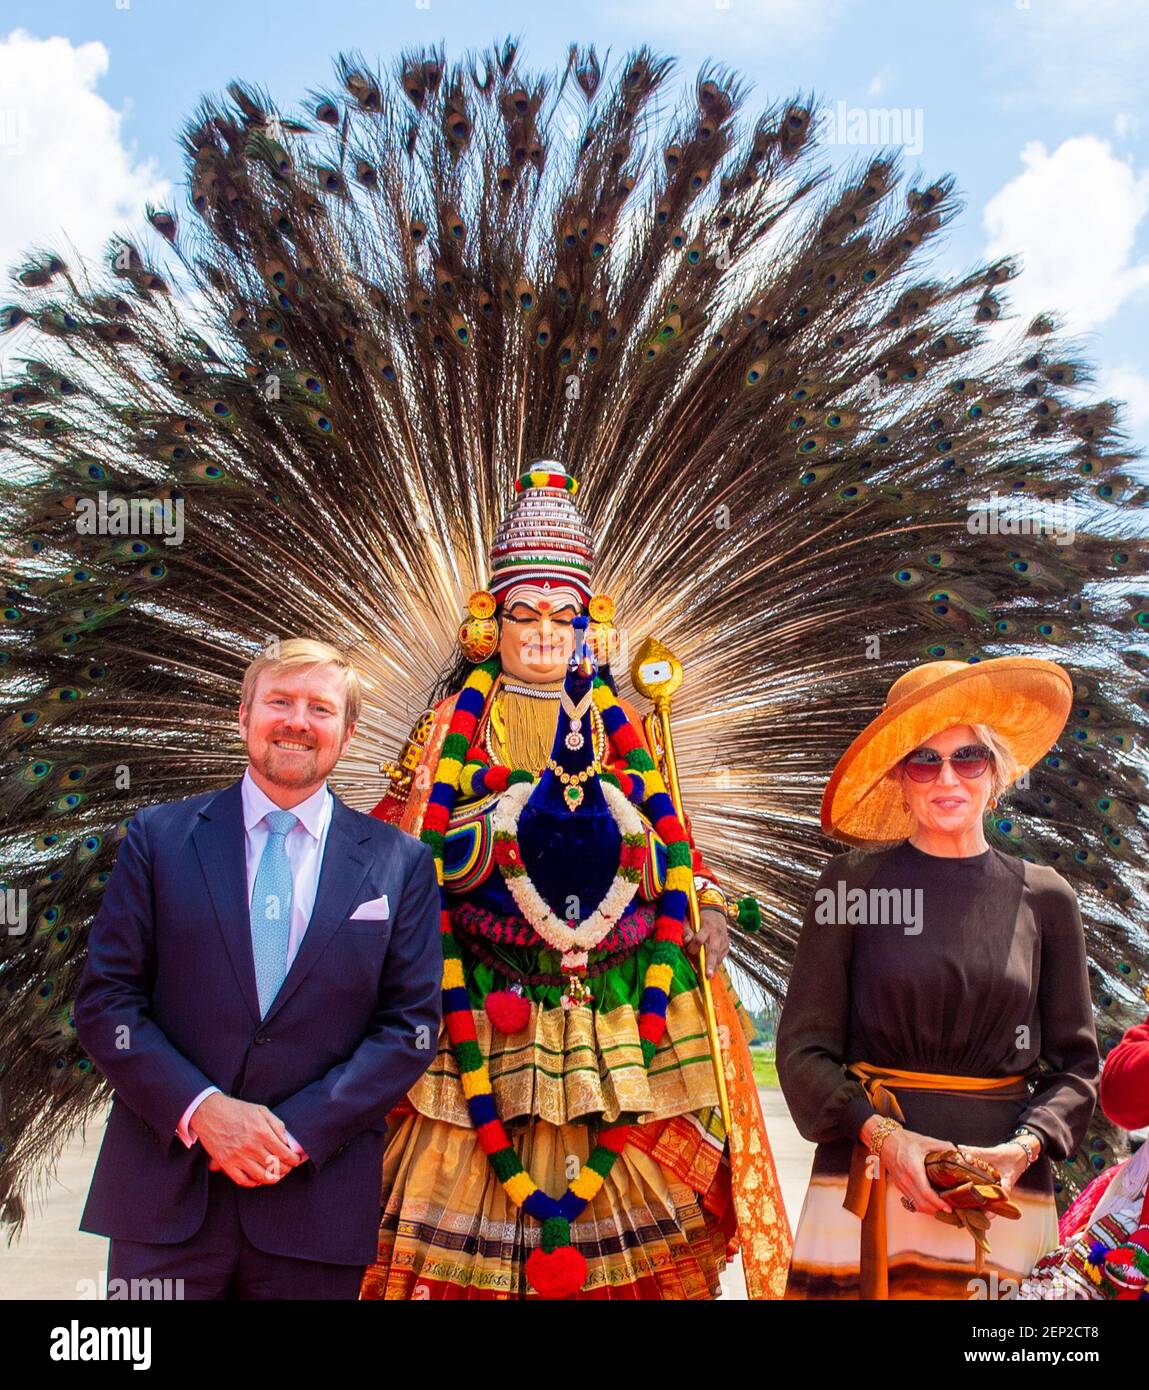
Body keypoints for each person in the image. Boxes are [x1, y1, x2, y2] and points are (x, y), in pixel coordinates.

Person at [359, 461, 791, 1299]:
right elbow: (399, 831)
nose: (546, 632)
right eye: (525, 614)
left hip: (618, 1003)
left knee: (626, 1192)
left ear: (590, 626)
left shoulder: (616, 723)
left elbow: (672, 833)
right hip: (475, 999)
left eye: (565, 615)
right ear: (489, 624)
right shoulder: (453, 723)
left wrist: (699, 898)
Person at [74, 638, 442, 1300]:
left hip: (313, 1203)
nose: (297, 721)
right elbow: (108, 1002)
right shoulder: (160, 839)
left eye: (319, 708)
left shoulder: (399, 863)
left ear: (347, 731)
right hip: (166, 1199)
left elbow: (407, 1027)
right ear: (242, 717)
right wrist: (204, 1109)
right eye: (279, 702)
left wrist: (295, 1132)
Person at [776, 656, 1100, 1299]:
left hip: (1006, 1198)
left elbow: (1077, 1067)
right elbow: (803, 1051)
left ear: (997, 772)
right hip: (866, 1186)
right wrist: (886, 1139)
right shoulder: (850, 887)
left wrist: (1022, 1151)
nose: (946, 777)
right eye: (924, 760)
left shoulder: (1047, 898)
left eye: (968, 758)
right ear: (899, 775)